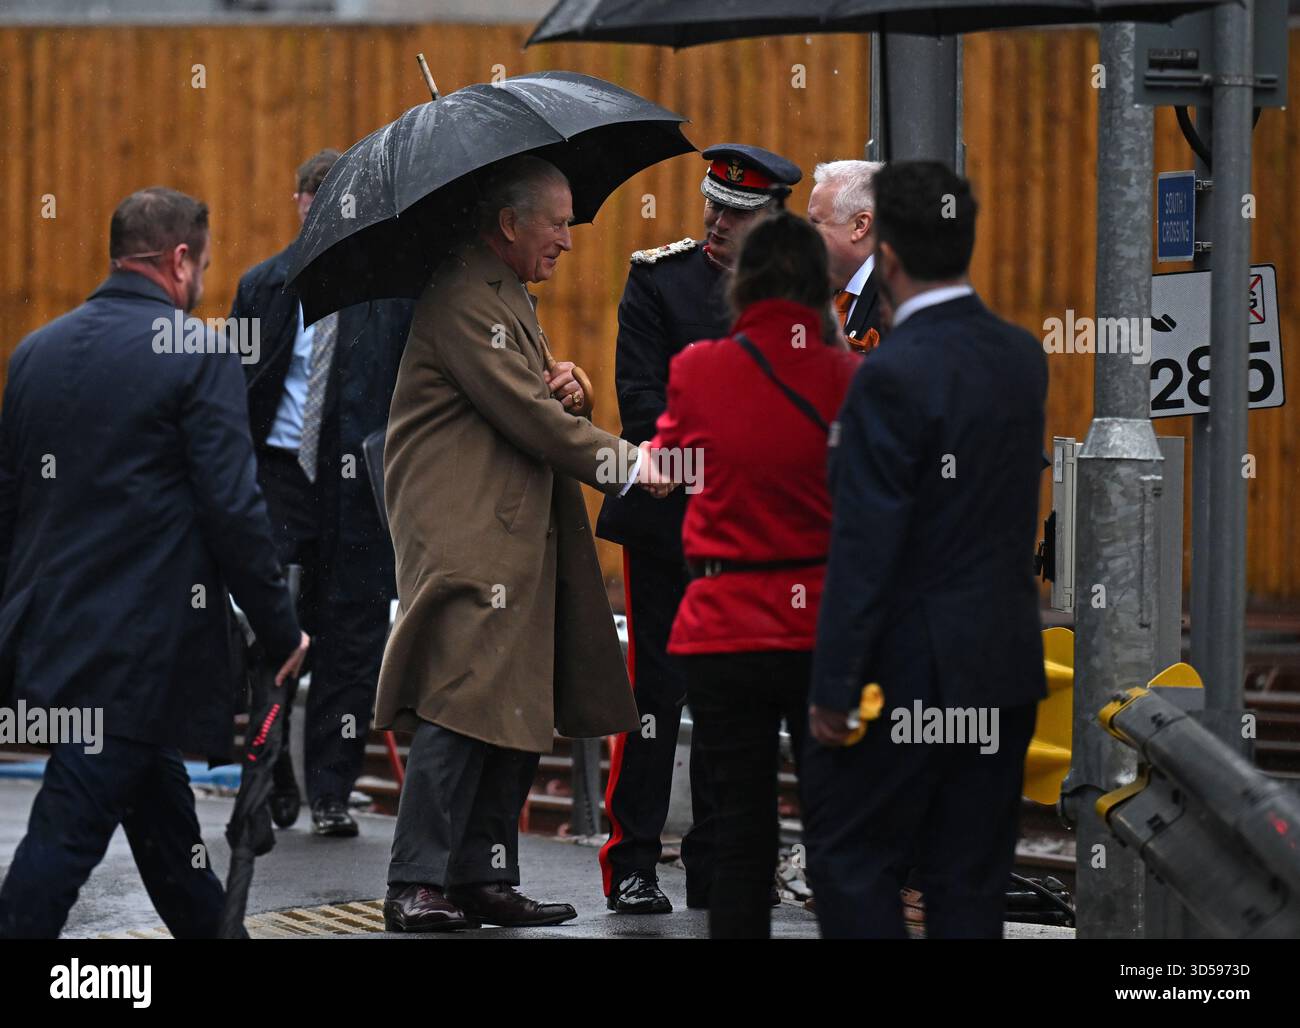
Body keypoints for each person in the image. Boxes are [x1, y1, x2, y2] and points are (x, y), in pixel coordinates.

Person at [0, 187, 308, 938]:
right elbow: (234, 510)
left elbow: (13, 509)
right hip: (138, 649)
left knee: (171, 838)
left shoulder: (35, 352)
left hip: (57, 632)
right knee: (61, 842)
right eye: (201, 264)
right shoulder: (197, 353)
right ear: (179, 260)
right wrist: (280, 627)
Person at [376, 155, 660, 933]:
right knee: (462, 699)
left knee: (512, 699)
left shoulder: (496, 290)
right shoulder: (470, 293)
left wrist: (565, 383)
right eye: (558, 223)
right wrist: (631, 464)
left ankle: (483, 876)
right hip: (468, 533)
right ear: (509, 225)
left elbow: (524, 397)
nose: (570, 240)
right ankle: (417, 881)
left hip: (504, 527)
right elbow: (524, 415)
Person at [802, 161, 1048, 939]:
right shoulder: (1021, 358)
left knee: (850, 859)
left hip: (908, 674)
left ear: (893, 253)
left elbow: (868, 542)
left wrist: (834, 686)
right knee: (969, 881)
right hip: (1003, 667)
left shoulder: (889, 374)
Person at [595, 143, 802, 914]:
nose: (716, 222)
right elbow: (644, 406)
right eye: (712, 204)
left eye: (737, 213)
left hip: (758, 538)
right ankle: (635, 860)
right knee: (656, 695)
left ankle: (716, 861)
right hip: (674, 527)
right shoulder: (660, 279)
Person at [647, 211, 859, 938]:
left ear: (741, 284)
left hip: (724, 626)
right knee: (835, 822)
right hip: (822, 628)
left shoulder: (698, 368)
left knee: (739, 825)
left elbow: (664, 473)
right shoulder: (850, 378)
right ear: (819, 286)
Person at [230, 149, 414, 838]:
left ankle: (331, 792)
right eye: (314, 196)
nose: (324, 209)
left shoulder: (391, 294)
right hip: (281, 480)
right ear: (298, 203)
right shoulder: (263, 286)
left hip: (361, 487)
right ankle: (271, 770)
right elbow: (236, 390)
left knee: (354, 638)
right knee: (271, 637)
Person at [807, 159, 886, 352]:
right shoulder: (809, 287)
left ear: (860, 225)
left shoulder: (900, 297)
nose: (806, 234)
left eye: (815, 223)